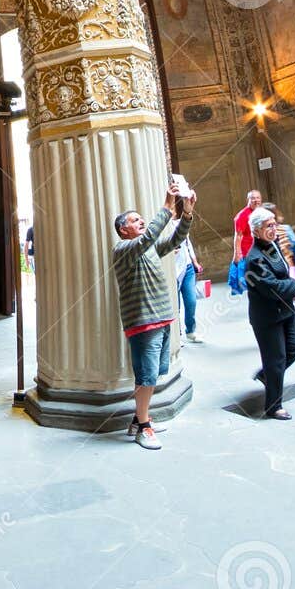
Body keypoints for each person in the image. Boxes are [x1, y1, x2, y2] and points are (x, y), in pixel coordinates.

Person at [112, 181, 194, 450]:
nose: (141, 221)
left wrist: (187, 213)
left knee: (156, 372)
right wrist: (168, 206)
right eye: (135, 220)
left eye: (141, 218)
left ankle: (138, 420)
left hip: (162, 317)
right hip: (143, 322)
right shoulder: (123, 250)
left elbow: (174, 240)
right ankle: (144, 427)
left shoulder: (146, 248)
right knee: (146, 376)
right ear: (124, 230)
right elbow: (148, 238)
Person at [245, 207, 295, 420]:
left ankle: (266, 375)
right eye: (269, 226)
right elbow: (272, 288)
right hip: (267, 316)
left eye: (274, 224)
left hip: (284, 310)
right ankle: (273, 406)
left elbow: (282, 275)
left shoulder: (272, 245)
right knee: (276, 359)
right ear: (257, 230)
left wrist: (287, 283)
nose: (274, 229)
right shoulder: (254, 258)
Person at [230, 189, 261, 293]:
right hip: (247, 253)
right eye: (253, 198)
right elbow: (238, 236)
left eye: (258, 198)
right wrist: (237, 254)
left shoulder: (260, 212)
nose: (256, 200)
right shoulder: (242, 215)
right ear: (248, 199)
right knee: (250, 281)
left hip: (259, 251)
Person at [176, 228, 202, 343]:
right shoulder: (163, 226)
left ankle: (190, 330)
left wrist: (195, 262)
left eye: (173, 208)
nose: (173, 211)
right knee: (175, 306)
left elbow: (187, 243)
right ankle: (177, 335)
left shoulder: (180, 223)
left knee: (191, 301)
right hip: (173, 270)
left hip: (187, 268)